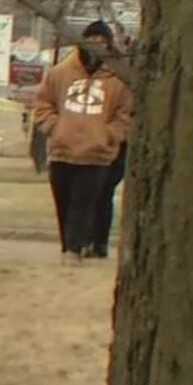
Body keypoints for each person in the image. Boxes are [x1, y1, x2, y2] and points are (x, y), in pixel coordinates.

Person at [32, 21, 133, 261]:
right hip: (62, 151)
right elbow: (43, 104)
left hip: (97, 155)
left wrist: (108, 136)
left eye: (102, 41)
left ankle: (77, 249)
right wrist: (55, 128)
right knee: (64, 204)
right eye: (92, 40)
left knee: (84, 203)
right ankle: (69, 246)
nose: (96, 45)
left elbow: (125, 115)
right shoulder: (60, 72)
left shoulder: (117, 77)